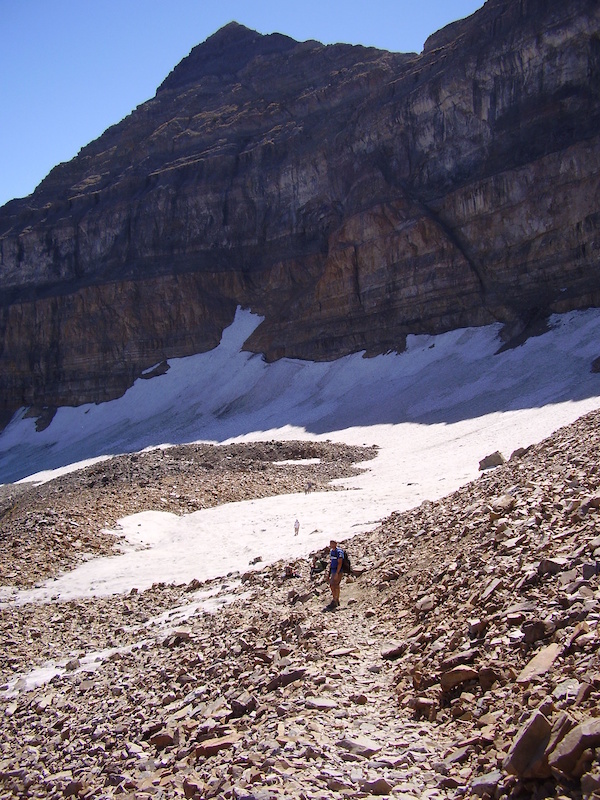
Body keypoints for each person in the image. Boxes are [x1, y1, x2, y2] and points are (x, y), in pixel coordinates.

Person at [326, 539, 344, 610]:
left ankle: (336, 600)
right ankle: (335, 599)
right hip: (333, 570)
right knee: (333, 585)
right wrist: (329, 573)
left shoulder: (339, 552)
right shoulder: (332, 552)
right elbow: (331, 562)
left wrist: (337, 572)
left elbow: (340, 562)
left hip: (337, 571)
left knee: (334, 584)